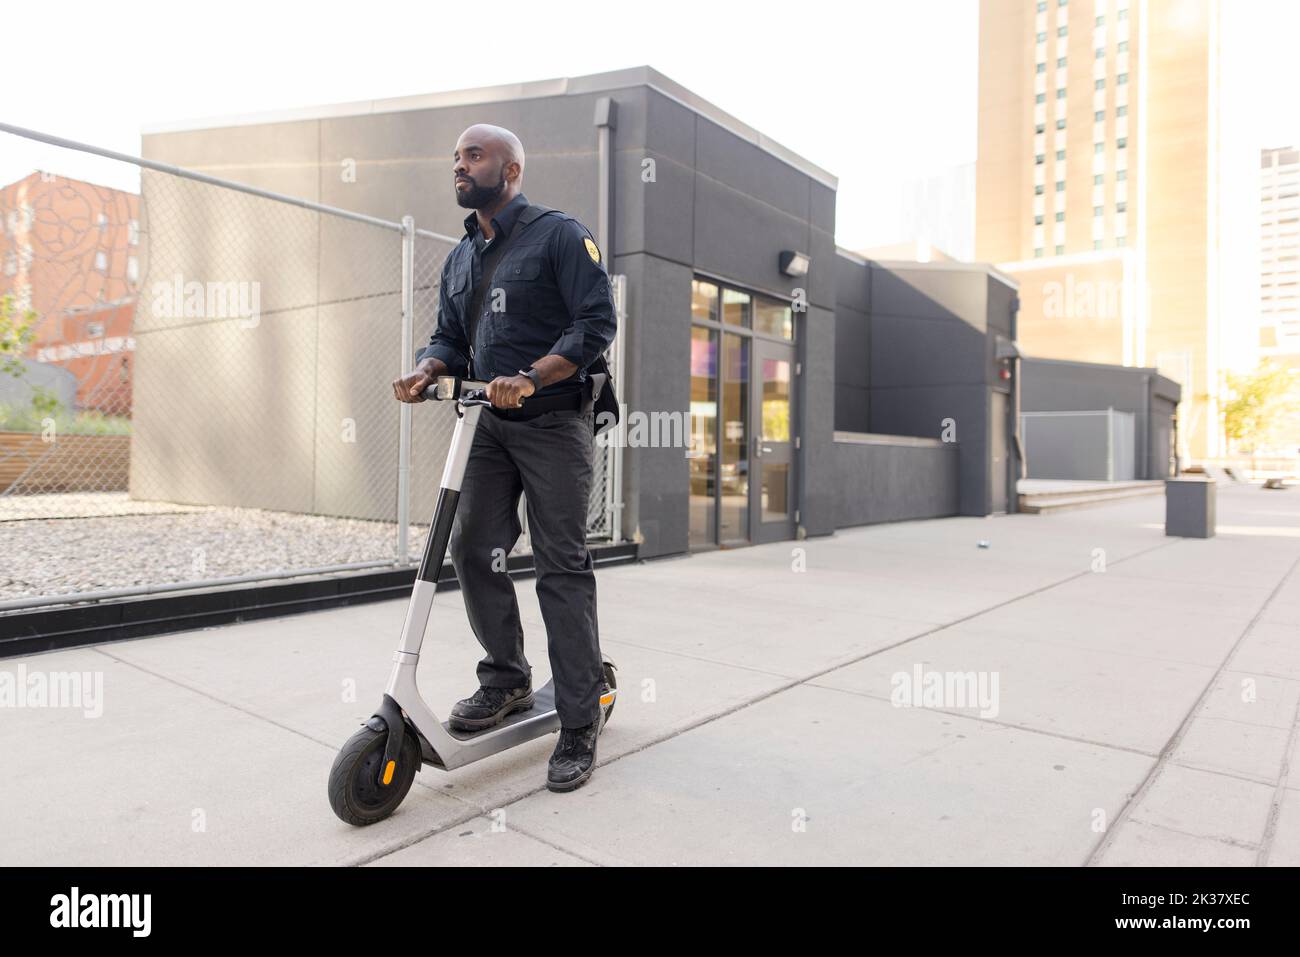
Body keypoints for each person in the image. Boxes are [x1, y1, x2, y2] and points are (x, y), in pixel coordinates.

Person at [391, 124, 617, 793]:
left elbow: (595, 323)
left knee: (560, 564)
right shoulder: (462, 256)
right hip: (487, 425)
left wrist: (535, 375)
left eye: (473, 155)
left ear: (511, 170)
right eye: (456, 156)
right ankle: (508, 678)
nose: (459, 165)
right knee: (472, 549)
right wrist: (428, 366)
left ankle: (579, 718)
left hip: (553, 423)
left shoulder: (559, 234)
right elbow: (450, 337)